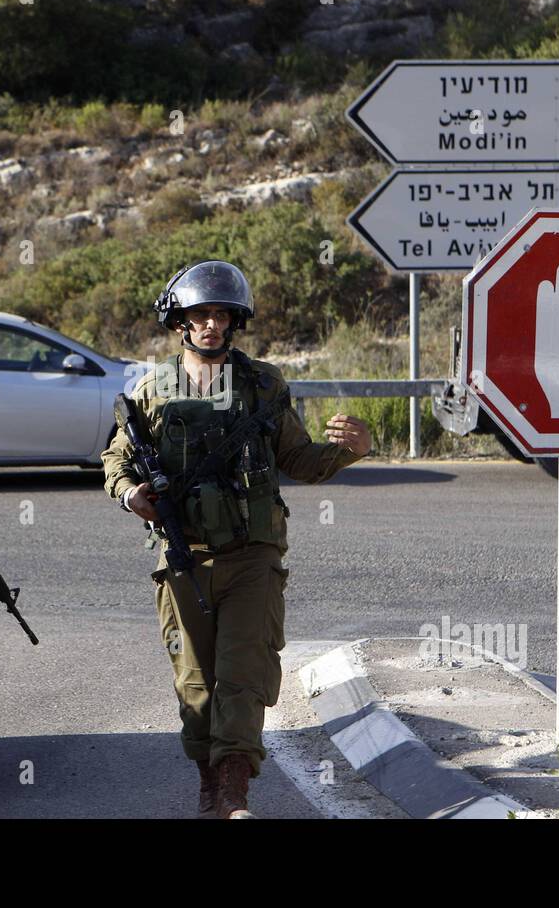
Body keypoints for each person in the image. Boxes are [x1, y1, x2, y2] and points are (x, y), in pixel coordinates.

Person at [101, 261, 372, 819]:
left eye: (221, 314)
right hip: (183, 557)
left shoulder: (264, 385)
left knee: (244, 676)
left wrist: (350, 451)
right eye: (200, 314)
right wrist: (130, 493)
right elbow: (115, 459)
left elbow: (298, 458)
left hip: (254, 554)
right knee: (196, 686)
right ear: (181, 320)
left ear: (234, 321)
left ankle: (232, 794)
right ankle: (209, 786)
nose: (211, 325)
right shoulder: (153, 390)